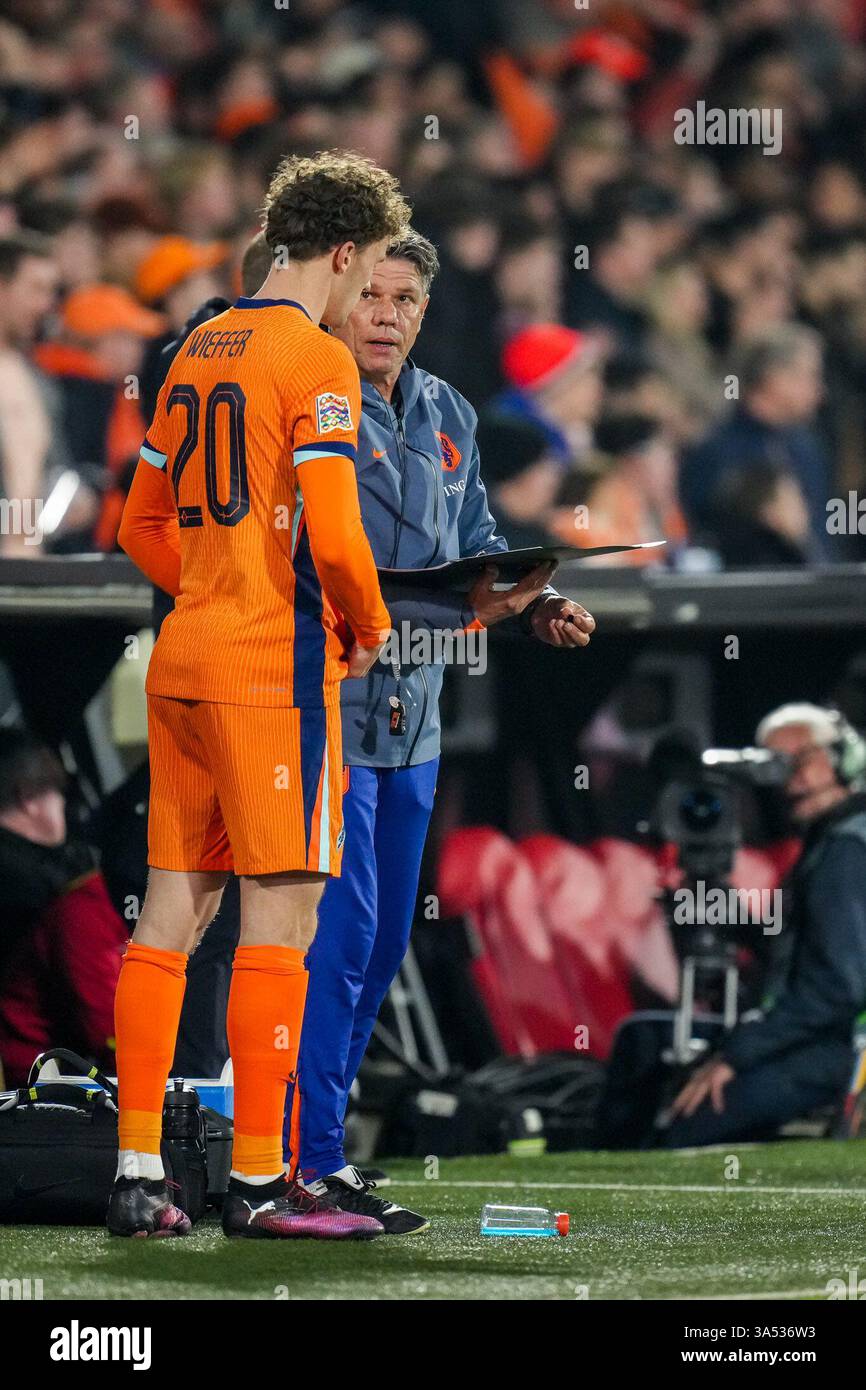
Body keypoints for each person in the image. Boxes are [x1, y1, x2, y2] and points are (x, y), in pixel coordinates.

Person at [111, 150, 409, 1241]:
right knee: (280, 920)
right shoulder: (314, 359)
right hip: (270, 673)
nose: (363, 292)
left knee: (168, 921)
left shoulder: (198, 345)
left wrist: (208, 585)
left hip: (181, 663)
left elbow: (139, 524)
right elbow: (334, 534)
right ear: (342, 253)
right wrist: (366, 629)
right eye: (368, 269)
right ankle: (254, 1182)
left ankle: (138, 1172)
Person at [285, 231, 595, 1232]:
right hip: (328, 707)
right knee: (340, 940)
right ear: (340, 299)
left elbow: (473, 552)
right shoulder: (308, 402)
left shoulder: (449, 412)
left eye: (403, 299)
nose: (383, 313)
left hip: (415, 717)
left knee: (378, 953)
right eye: (368, 294)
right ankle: (301, 1159)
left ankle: (318, 1149)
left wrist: (534, 597)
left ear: (423, 311)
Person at [664, 704, 866, 1147]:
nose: (791, 777)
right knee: (647, 1042)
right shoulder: (836, 840)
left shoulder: (846, 848)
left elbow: (837, 990)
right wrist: (746, 927)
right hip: (832, 1037)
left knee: (689, 1123)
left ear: (845, 759)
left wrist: (738, 1055)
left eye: (803, 759)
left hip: (842, 1049)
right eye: (777, 766)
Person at [0, 730, 127, 1088]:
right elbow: (104, 1022)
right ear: (29, 799)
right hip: (37, 1086)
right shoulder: (60, 894)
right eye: (57, 795)